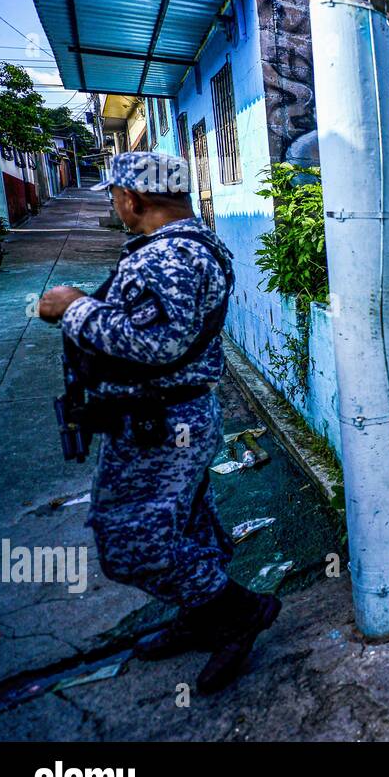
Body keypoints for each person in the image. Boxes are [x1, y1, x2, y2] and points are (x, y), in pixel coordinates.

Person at [38, 151, 279, 695]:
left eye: (116, 197)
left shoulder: (167, 256)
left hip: (161, 424)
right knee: (188, 525)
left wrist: (73, 307)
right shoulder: (181, 247)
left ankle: (238, 612)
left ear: (133, 198)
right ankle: (204, 618)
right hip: (166, 417)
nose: (117, 206)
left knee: (132, 541)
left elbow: (157, 343)